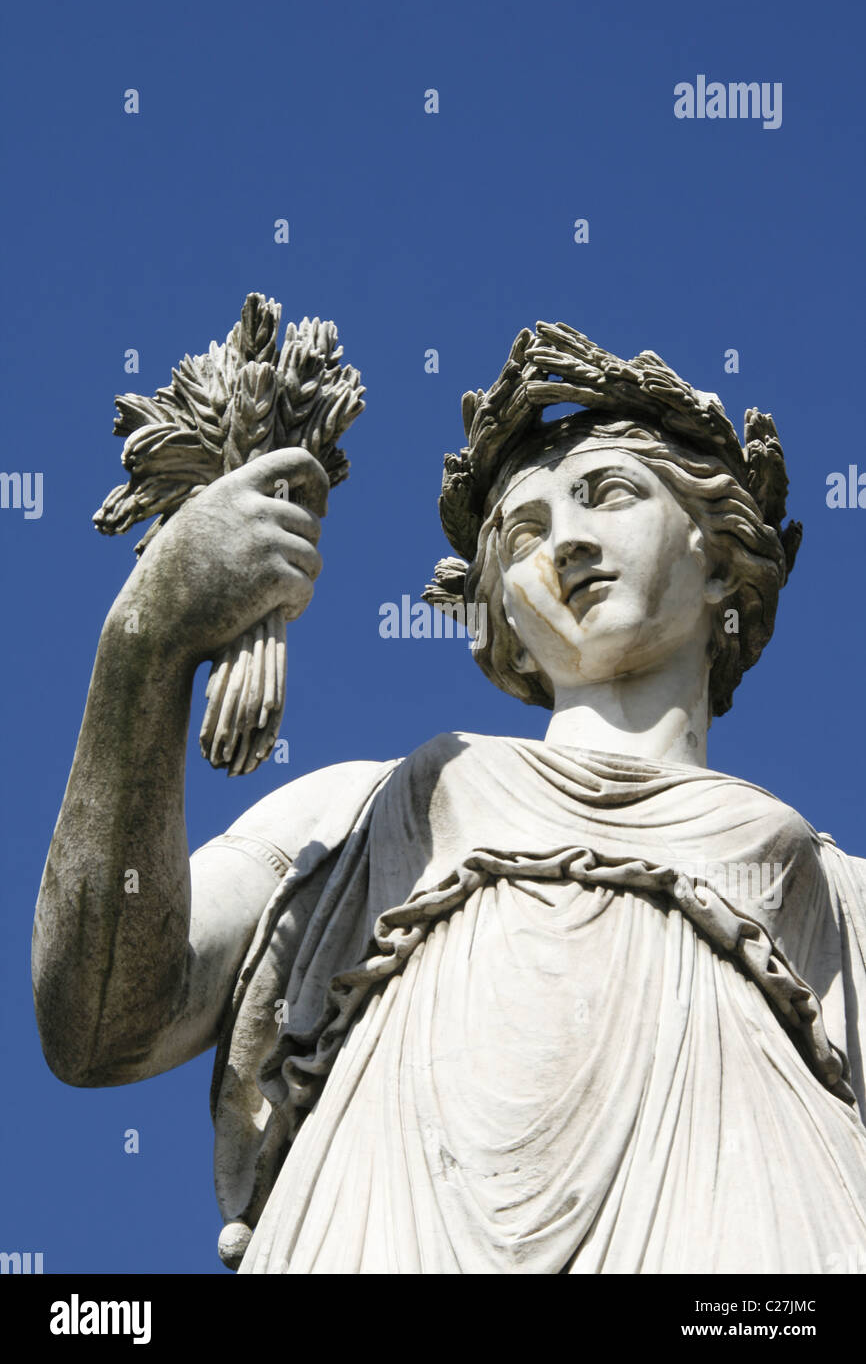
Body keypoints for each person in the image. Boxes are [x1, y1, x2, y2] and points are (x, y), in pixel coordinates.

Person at [33, 321, 866, 1274]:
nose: (568, 544)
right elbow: (99, 1024)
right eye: (525, 531)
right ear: (501, 604)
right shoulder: (372, 816)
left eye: (610, 494)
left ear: (720, 556)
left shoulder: (840, 902)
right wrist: (148, 642)